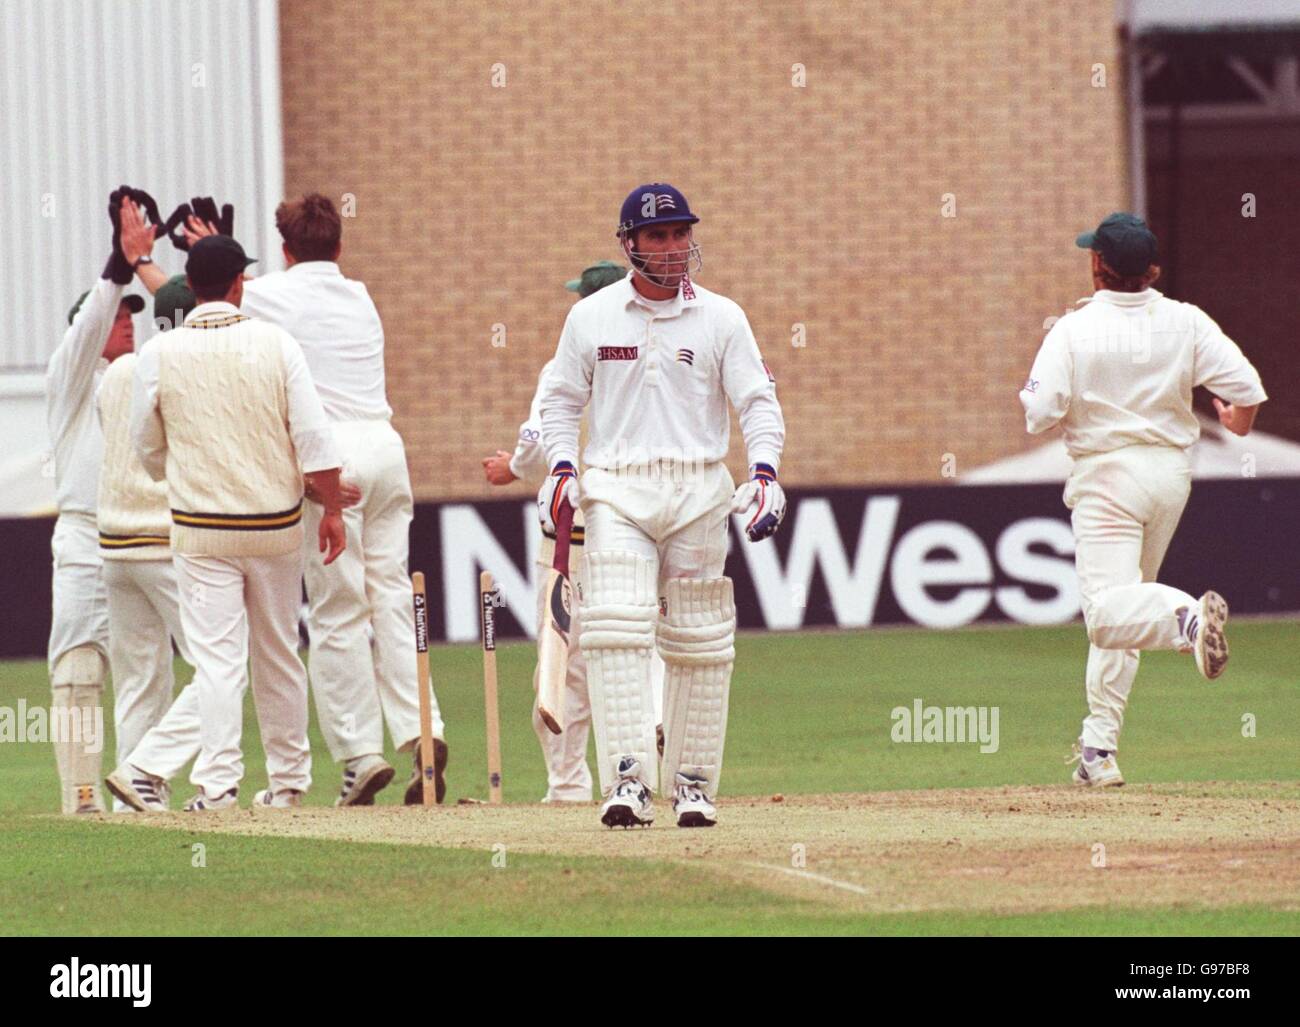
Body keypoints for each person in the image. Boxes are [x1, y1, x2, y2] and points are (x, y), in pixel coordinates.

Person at [538, 184, 787, 828]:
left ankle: (694, 785)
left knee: (699, 640)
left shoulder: (722, 317)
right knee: (616, 627)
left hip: (698, 487)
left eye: (681, 234)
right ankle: (627, 783)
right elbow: (561, 402)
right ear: (629, 245)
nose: (674, 248)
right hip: (617, 487)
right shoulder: (591, 317)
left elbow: (756, 401)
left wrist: (764, 474)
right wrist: (562, 469)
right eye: (658, 236)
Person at [188, 194, 448, 805]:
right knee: (389, 597)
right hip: (387, 448)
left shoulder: (273, 294)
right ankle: (423, 729)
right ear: (339, 246)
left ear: (284, 250)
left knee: (336, 612)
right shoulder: (359, 296)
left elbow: (206, 296)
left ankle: (359, 754)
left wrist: (189, 253)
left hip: (335, 460)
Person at [1020, 212, 1268, 788]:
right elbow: (1246, 390)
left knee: (1108, 616)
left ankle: (1185, 620)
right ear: (1152, 270)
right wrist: (1237, 423)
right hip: (1170, 477)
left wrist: (1056, 401)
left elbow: (1038, 416)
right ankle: (1098, 750)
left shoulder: (1072, 329)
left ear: (1096, 265)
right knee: (1129, 606)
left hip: (1107, 478)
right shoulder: (1184, 320)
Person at [130, 234, 348, 810]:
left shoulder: (160, 353)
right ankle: (288, 783)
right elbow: (315, 442)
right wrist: (332, 510)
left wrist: (177, 468)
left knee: (218, 662)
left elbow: (145, 446)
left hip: (201, 531)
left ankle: (218, 786)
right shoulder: (276, 344)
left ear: (193, 287)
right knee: (277, 651)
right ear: (237, 283)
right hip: (275, 527)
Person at [483, 260, 665, 803]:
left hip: (574, 539)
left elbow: (539, 441)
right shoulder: (652, 364)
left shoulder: (566, 363)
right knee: (639, 652)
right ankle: (643, 775)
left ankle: (567, 786)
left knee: (566, 669)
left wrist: (512, 469)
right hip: (641, 531)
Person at [45, 190, 151, 814]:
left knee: (144, 673)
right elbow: (88, 330)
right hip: (87, 536)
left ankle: (143, 792)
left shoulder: (147, 377)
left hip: (145, 533)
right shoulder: (69, 381)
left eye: (130, 315)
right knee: (80, 671)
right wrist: (117, 266)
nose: (126, 322)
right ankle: (81, 801)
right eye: (117, 316)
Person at [96, 202, 203, 812]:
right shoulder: (184, 369)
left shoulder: (117, 374)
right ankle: (160, 772)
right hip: (165, 540)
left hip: (116, 546)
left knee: (139, 678)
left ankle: (134, 798)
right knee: (220, 663)